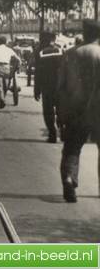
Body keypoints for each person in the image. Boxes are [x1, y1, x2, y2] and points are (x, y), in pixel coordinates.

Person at [57, 19, 100, 203]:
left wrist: (60, 113)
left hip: (76, 110)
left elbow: (61, 87)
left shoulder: (69, 54)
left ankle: (69, 178)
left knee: (72, 149)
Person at [33, 30, 63, 143]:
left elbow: (38, 72)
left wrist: (37, 89)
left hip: (47, 86)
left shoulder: (39, 52)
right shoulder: (61, 50)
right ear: (53, 40)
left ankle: (52, 134)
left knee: (48, 111)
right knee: (61, 109)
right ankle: (62, 127)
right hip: (60, 86)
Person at [0, 36, 20, 109]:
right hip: (7, 68)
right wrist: (17, 66)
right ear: (5, 42)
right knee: (6, 85)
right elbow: (17, 58)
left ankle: (2, 100)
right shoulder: (9, 50)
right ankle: (2, 99)